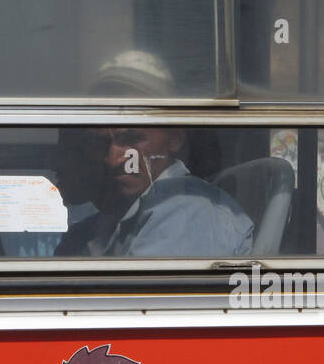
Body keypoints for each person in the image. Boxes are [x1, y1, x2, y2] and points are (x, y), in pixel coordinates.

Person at [55, 52, 253, 258]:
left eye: (131, 139)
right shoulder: (108, 222)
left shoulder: (185, 211)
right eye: (103, 142)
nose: (113, 159)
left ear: (174, 137)